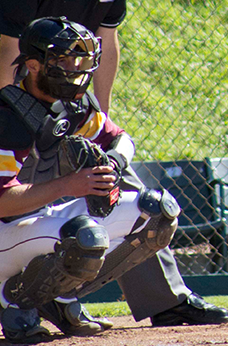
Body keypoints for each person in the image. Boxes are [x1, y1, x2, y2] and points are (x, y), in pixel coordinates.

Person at [0, 0, 228, 328]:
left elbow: (107, 39)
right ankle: (27, 297)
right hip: (25, 89)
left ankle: (166, 300)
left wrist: (97, 118)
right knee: (22, 195)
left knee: (124, 185)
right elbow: (7, 47)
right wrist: (12, 110)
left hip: (69, 89)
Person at [0, 17, 182, 343]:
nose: (75, 67)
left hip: (37, 226)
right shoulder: (8, 119)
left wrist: (115, 161)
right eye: (63, 60)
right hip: (4, 234)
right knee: (84, 236)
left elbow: (120, 138)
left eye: (79, 58)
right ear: (33, 65)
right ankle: (12, 298)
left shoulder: (74, 106)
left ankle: (57, 295)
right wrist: (68, 187)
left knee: (156, 212)